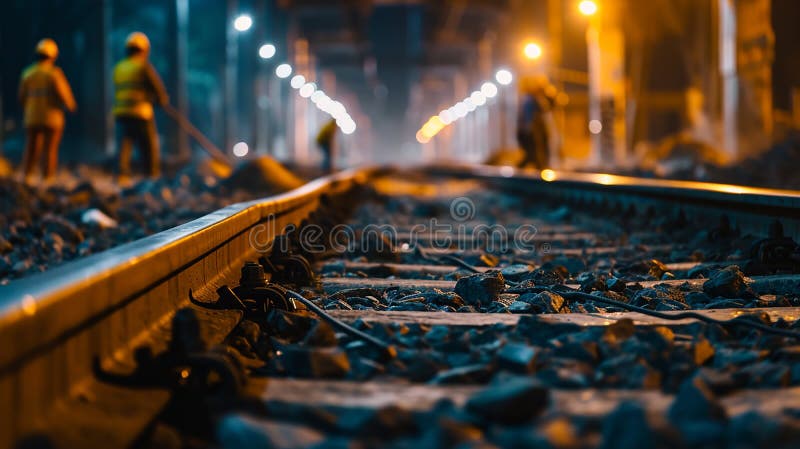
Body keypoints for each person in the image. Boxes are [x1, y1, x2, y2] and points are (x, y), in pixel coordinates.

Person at [113, 32, 169, 182]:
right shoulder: (143, 66)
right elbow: (157, 88)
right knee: (148, 146)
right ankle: (151, 176)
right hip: (140, 112)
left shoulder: (119, 67)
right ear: (144, 50)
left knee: (124, 147)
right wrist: (161, 100)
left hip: (121, 113)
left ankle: (122, 176)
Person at [18, 38, 76, 182]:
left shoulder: (28, 73)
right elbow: (64, 95)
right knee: (49, 149)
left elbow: (21, 97)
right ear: (53, 56)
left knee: (31, 147)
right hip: (52, 117)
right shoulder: (54, 74)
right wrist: (71, 106)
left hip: (32, 116)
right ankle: (47, 177)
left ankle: (27, 175)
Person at [516, 76, 554, 169]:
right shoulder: (530, 99)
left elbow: (547, 107)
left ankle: (520, 170)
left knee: (532, 155)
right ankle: (539, 172)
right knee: (534, 154)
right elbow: (544, 108)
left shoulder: (530, 99)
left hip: (529, 131)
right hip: (530, 132)